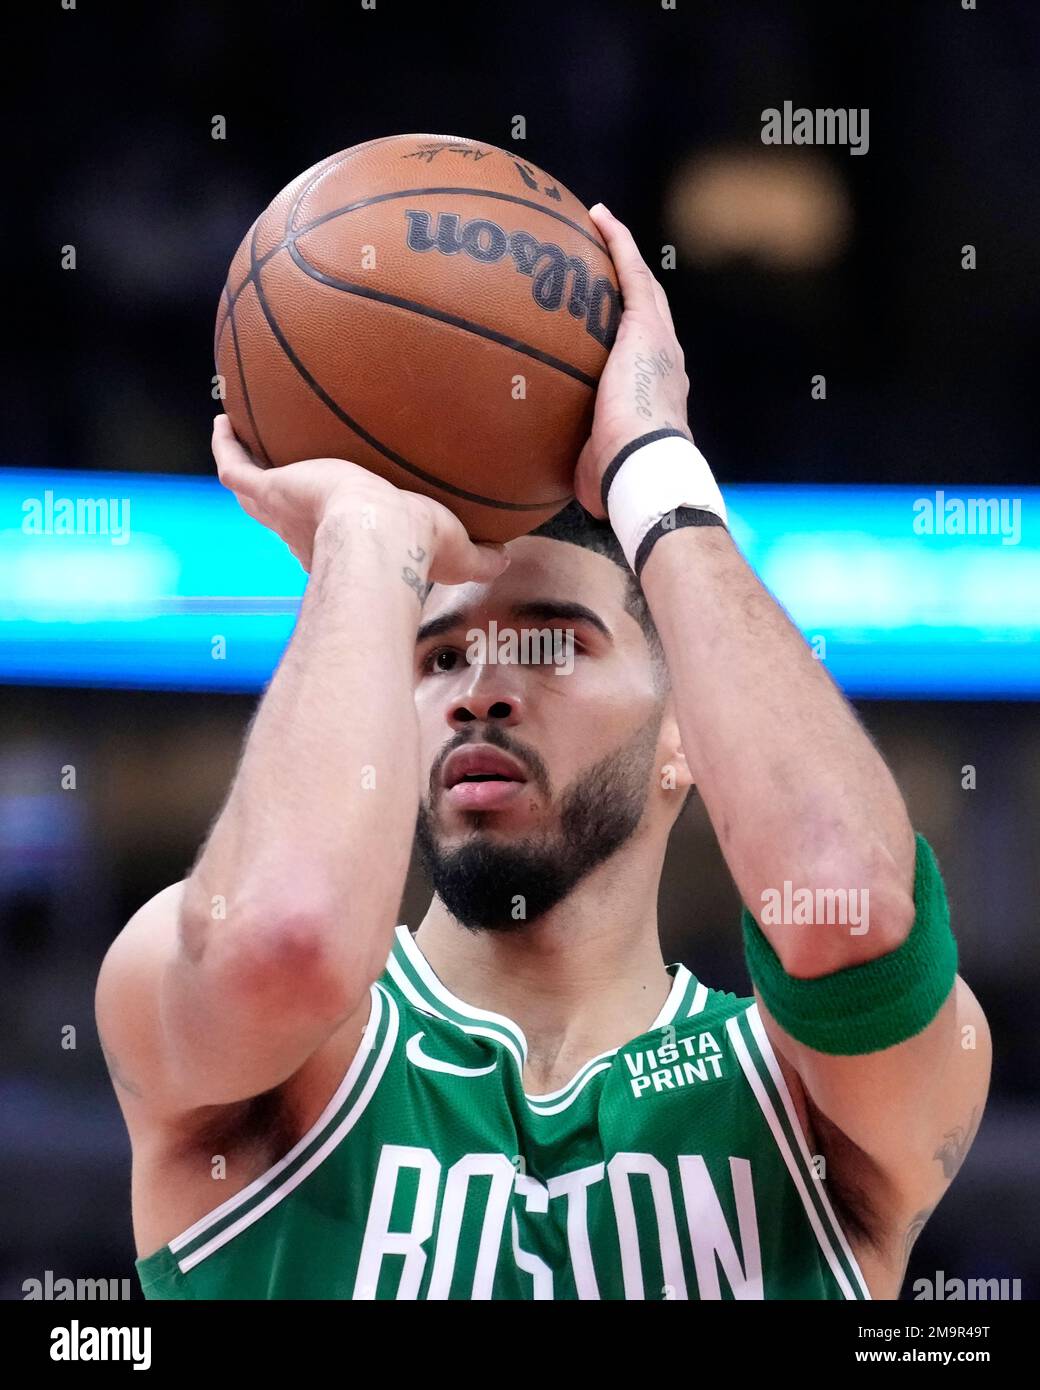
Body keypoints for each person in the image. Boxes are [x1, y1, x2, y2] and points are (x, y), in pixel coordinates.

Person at [96, 205, 990, 1300]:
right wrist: (365, 540)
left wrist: (654, 467)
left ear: (685, 735)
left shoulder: (810, 1106)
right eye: (433, 656)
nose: (480, 690)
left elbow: (844, 892)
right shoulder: (246, 1038)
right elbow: (287, 938)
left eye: (553, 645)